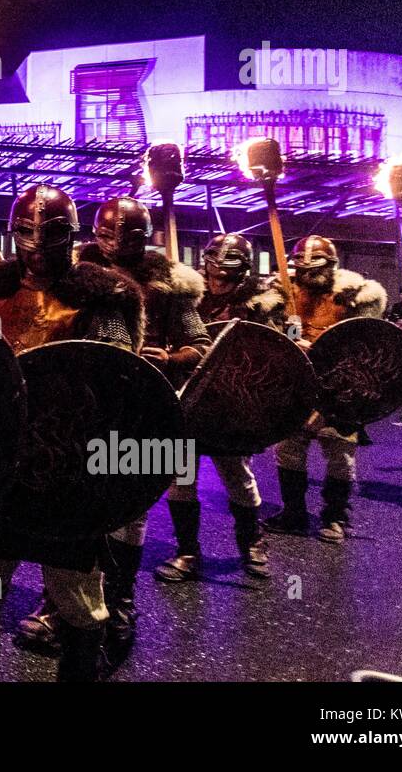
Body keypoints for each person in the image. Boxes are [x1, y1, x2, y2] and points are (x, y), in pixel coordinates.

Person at [0, 184, 144, 682]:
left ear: (72, 236)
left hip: (67, 471)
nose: (36, 243)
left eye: (51, 232)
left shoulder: (99, 297)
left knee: (77, 596)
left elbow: (116, 382)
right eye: (27, 231)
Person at [20, 197, 209, 669]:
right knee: (71, 512)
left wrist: (170, 359)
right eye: (108, 235)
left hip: (143, 411)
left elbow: (201, 345)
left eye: (128, 235)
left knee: (127, 513)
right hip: (82, 413)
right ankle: (59, 606)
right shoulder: (83, 282)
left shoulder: (169, 286)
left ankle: (120, 606)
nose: (118, 243)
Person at [155, 232, 285, 584]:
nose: (219, 281)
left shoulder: (260, 309)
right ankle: (187, 551)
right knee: (180, 480)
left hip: (231, 404)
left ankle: (252, 543)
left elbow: (270, 358)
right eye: (214, 274)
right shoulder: (185, 300)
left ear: (242, 273)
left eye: (226, 276)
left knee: (238, 479)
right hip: (185, 398)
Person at [266, 235, 386, 544]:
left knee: (339, 452)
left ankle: (335, 517)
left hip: (341, 388)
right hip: (298, 386)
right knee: (289, 450)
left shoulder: (353, 297)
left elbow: (365, 346)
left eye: (314, 268)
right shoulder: (284, 294)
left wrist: (320, 351)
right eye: (302, 268)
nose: (307, 274)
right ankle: (294, 512)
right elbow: (274, 335)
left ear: (331, 266)